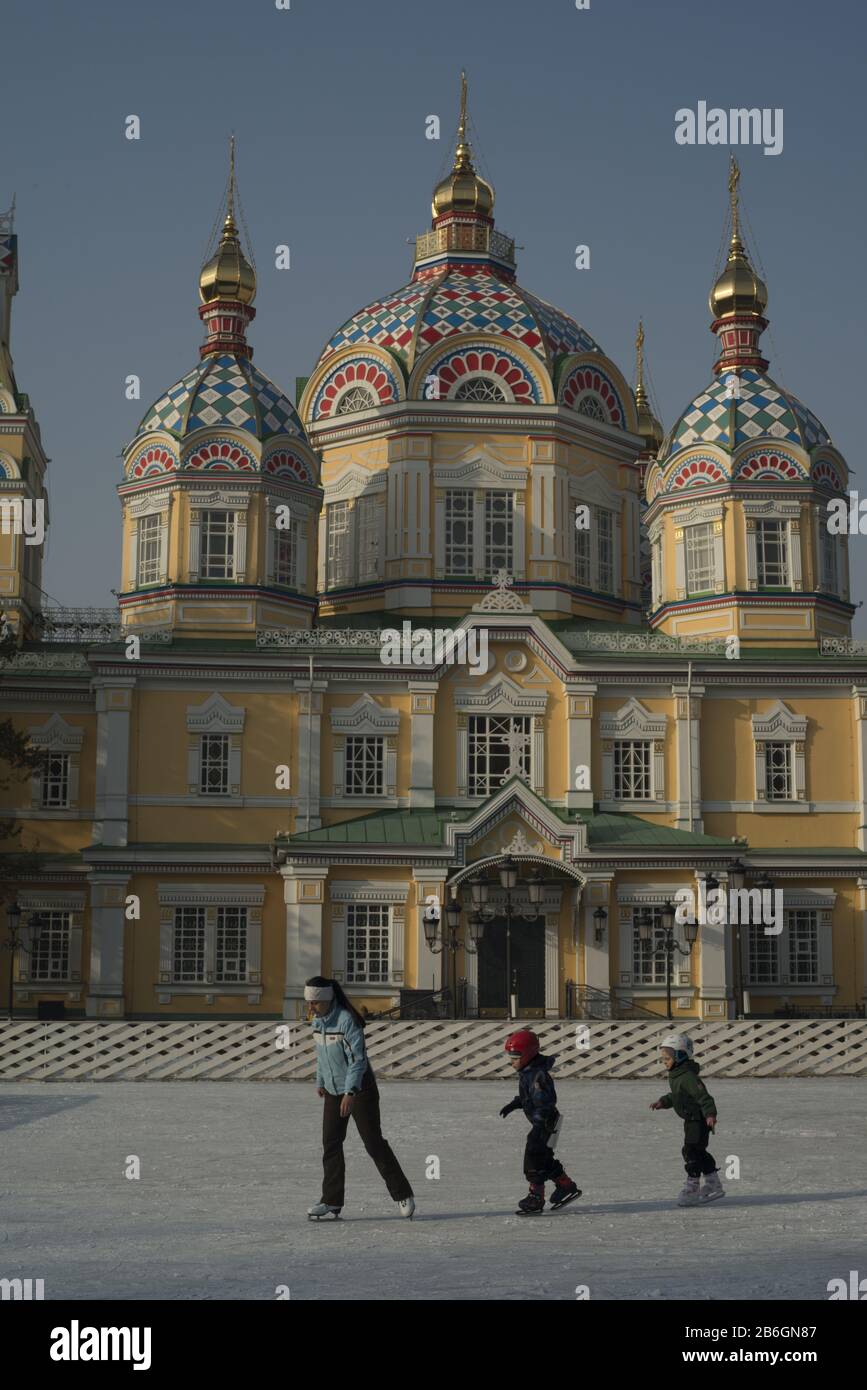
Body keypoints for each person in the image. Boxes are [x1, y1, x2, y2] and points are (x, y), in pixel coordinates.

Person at [304, 976, 415, 1221]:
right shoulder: (318, 1022)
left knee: (373, 1143)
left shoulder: (347, 1021)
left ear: (326, 999)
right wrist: (321, 1081)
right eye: (309, 1003)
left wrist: (350, 1092)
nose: (310, 1008)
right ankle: (331, 1200)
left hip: (360, 1089)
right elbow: (322, 1055)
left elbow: (358, 1061)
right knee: (330, 1143)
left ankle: (402, 1193)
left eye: (314, 1003)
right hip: (334, 1091)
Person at [499, 1028, 581, 1215]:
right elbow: (529, 1096)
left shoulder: (538, 1075)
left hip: (545, 1122)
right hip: (545, 1122)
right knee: (544, 1158)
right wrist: (516, 1103)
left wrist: (539, 1123)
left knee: (534, 1157)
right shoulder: (529, 1071)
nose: (511, 1062)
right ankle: (566, 1186)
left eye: (515, 1057)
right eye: (510, 1057)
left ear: (528, 1054)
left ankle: (536, 1197)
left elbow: (545, 1101)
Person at [650, 1031, 724, 1205]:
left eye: (667, 1058)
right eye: (663, 1059)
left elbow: (703, 1096)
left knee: (691, 1151)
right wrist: (663, 1101)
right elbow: (678, 1096)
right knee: (698, 1151)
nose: (664, 1062)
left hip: (699, 1120)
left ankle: (692, 1186)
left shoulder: (688, 1077)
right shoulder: (677, 1075)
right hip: (691, 1120)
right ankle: (713, 1183)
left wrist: (710, 1114)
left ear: (681, 1056)